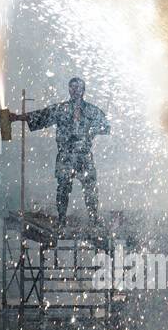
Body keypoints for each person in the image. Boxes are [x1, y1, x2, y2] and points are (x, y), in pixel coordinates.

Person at [10, 76, 110, 234]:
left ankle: (94, 219)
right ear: (69, 89)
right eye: (72, 87)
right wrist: (16, 118)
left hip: (84, 156)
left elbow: (106, 126)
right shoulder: (61, 109)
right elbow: (41, 116)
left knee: (90, 189)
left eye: (78, 87)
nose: (75, 90)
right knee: (63, 188)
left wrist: (91, 131)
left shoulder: (91, 110)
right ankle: (62, 219)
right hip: (66, 155)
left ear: (83, 90)